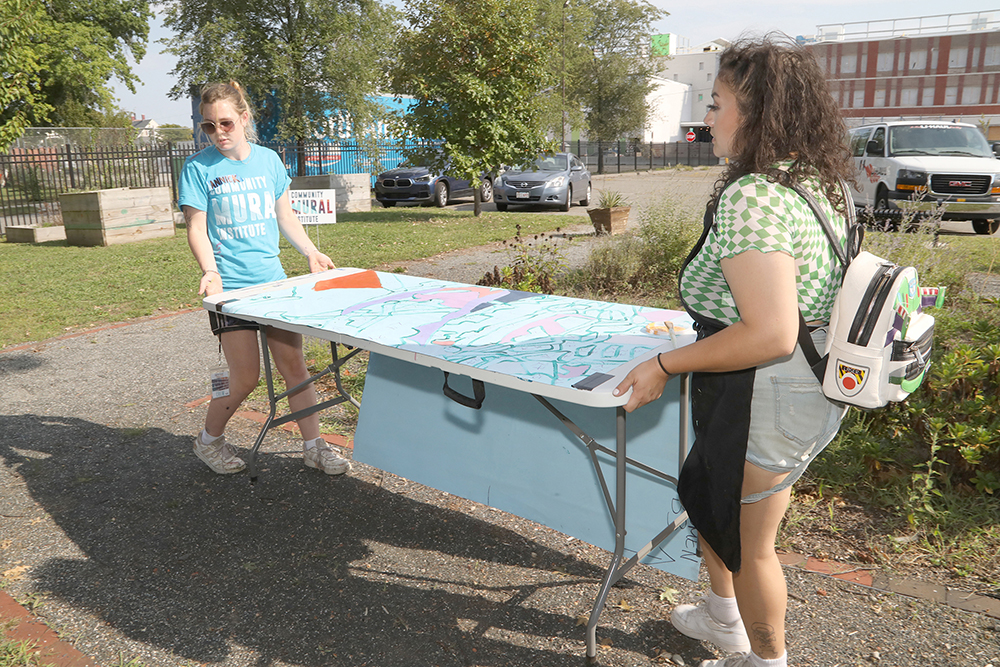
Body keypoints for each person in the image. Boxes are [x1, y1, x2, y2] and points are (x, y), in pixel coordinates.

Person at [613, 36, 854, 667]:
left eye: (717, 103)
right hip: (796, 383)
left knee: (751, 542)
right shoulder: (818, 182)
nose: (707, 118)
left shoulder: (756, 197)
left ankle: (764, 659)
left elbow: (770, 332)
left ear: (759, 113)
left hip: (766, 392)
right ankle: (725, 619)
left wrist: (662, 364)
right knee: (714, 500)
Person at [178, 81, 351, 477]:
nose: (219, 132)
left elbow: (285, 215)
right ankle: (208, 441)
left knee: (295, 368)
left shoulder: (270, 161)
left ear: (244, 118)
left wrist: (310, 251)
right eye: (209, 126)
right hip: (231, 292)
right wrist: (210, 270)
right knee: (245, 379)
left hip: (272, 285)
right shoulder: (198, 168)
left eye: (225, 123)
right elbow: (195, 227)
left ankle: (314, 446)